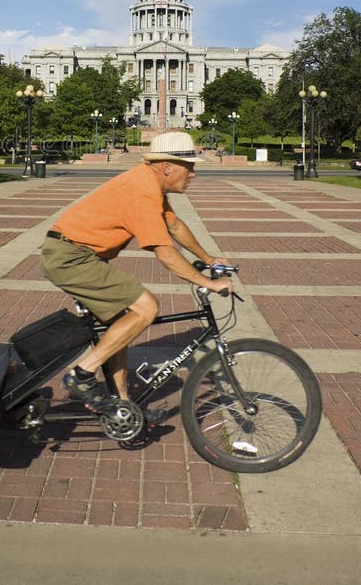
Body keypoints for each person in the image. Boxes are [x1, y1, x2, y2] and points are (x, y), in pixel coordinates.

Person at [40, 131, 231, 421]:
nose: (193, 174)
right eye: (189, 167)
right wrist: (208, 283)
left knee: (122, 324)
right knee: (147, 307)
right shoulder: (142, 191)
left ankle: (124, 408)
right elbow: (164, 252)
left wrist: (207, 258)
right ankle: (81, 374)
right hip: (71, 257)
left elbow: (175, 225)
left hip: (77, 254)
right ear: (167, 167)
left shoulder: (148, 183)